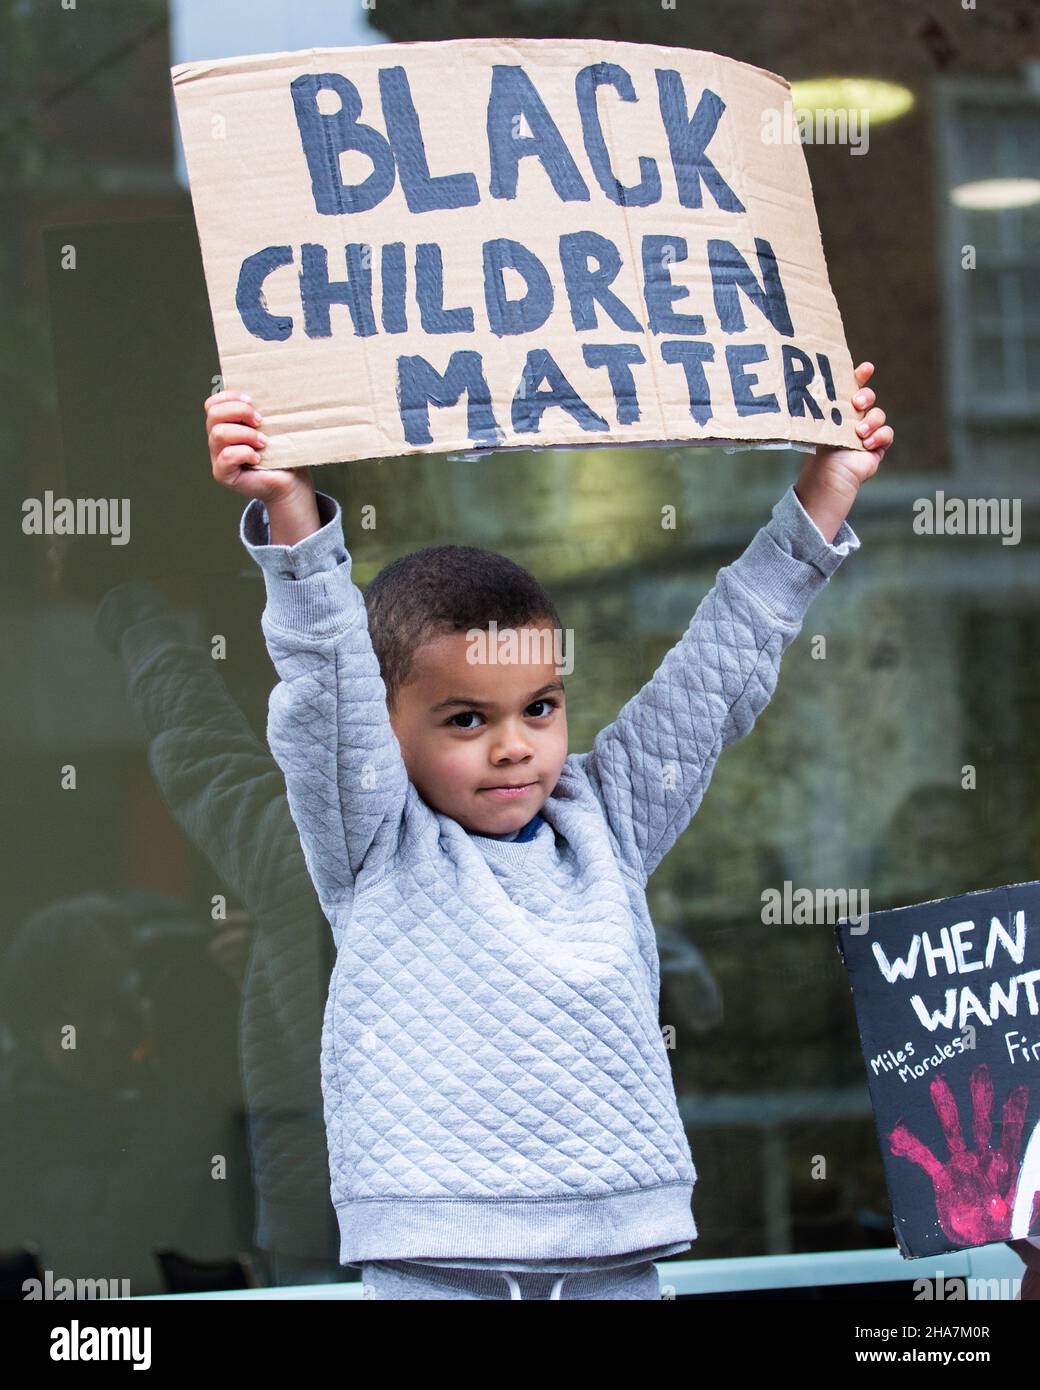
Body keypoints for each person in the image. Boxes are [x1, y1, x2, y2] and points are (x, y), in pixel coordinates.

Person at [205, 365, 892, 1300]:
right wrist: (291, 512)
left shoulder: (603, 820)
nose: (514, 747)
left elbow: (717, 667)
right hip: (434, 1262)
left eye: (540, 707)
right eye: (464, 720)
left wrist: (825, 490)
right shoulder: (371, 839)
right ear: (388, 730)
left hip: (619, 1258)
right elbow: (327, 678)